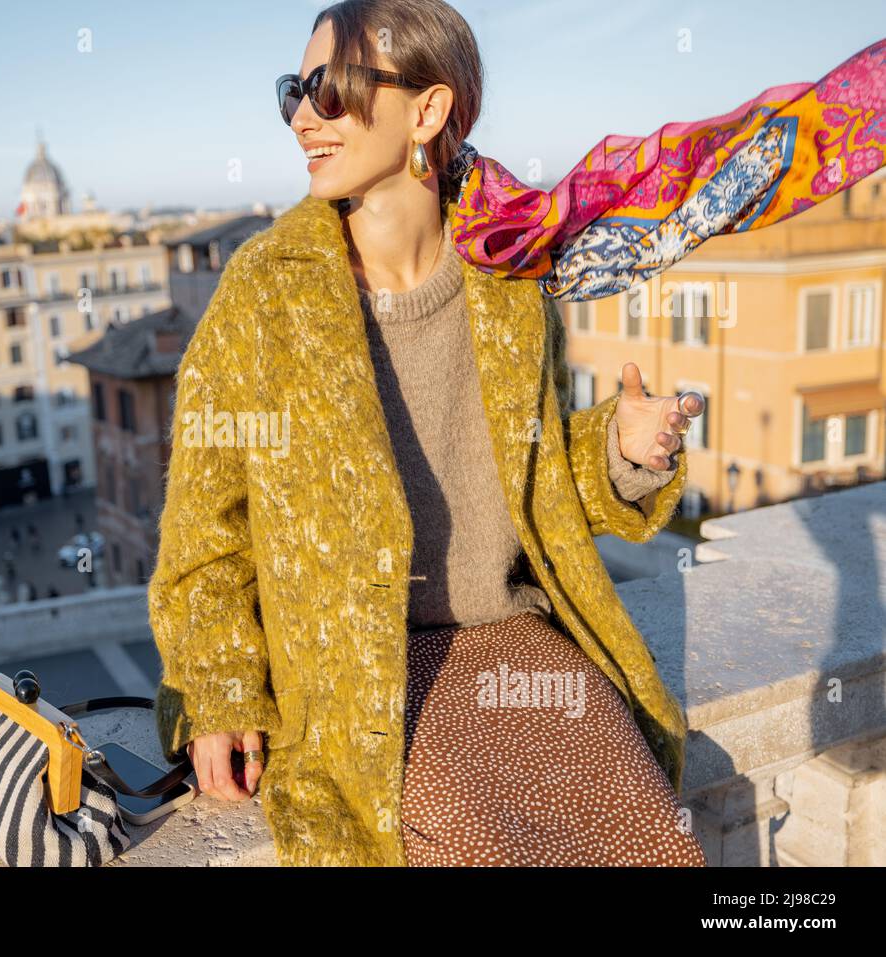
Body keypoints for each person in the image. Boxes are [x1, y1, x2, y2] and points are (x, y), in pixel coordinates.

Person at [145, 2, 886, 867]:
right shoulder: (262, 294)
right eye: (292, 93)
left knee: (656, 845)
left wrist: (622, 450)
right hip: (360, 680)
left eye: (331, 88)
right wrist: (223, 686)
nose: (304, 115)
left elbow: (530, 485)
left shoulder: (508, 280)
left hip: (516, 645)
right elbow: (205, 529)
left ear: (427, 111)